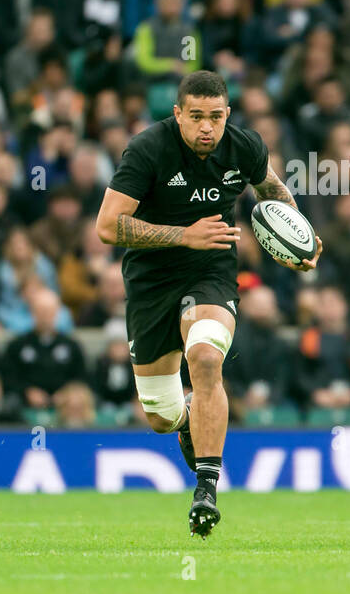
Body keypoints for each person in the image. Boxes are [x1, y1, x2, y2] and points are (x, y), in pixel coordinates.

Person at [94, 70, 320, 536]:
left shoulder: (246, 147)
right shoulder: (147, 149)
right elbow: (107, 226)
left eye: (215, 117)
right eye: (196, 117)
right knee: (159, 416)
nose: (206, 128)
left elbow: (274, 192)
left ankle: (206, 489)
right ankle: (187, 418)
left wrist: (301, 239)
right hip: (150, 282)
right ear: (177, 114)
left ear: (227, 115)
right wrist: (184, 235)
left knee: (204, 355)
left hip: (211, 273)